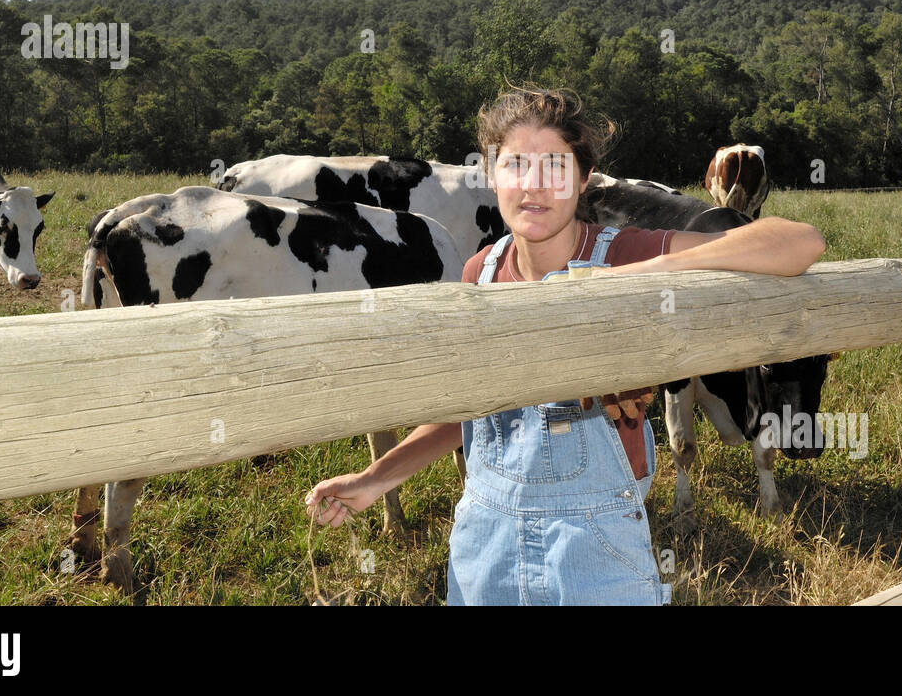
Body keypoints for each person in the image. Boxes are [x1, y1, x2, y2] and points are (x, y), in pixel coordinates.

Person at [305, 87, 825, 605]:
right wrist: (375, 479)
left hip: (595, 555)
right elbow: (471, 411)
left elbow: (799, 242)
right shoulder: (479, 273)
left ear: (583, 178)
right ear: (491, 173)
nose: (533, 186)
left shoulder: (620, 252)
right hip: (484, 551)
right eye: (515, 165)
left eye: (555, 166)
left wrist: (635, 278)